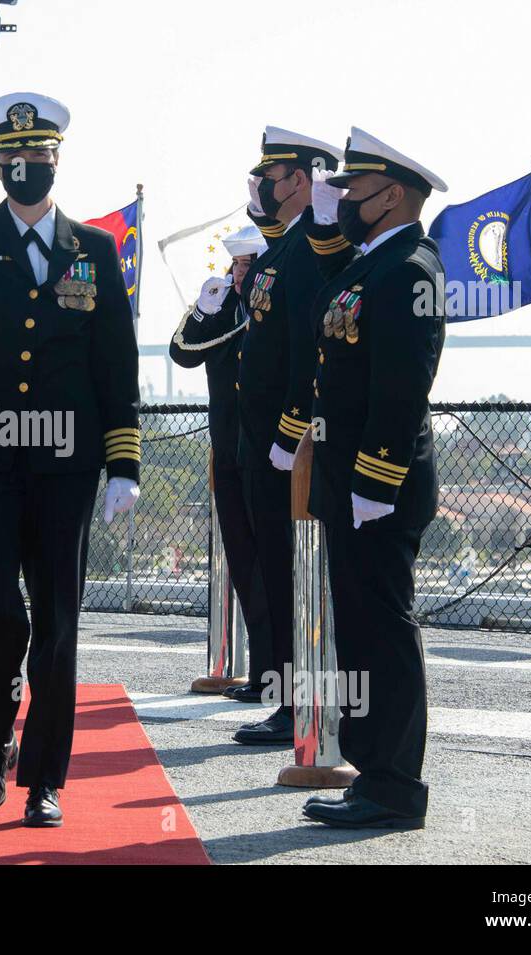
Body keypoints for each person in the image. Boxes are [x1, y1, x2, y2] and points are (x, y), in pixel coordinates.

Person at [0, 92, 141, 828]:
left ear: (56, 160)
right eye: (10, 160)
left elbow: (115, 362)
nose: (24, 168)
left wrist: (123, 460)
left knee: (58, 620)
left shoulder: (95, 251)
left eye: (36, 157)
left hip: (65, 461)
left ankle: (44, 778)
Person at [298, 128, 447, 830]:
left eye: (355, 188)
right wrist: (328, 220)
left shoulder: (411, 268)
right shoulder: (372, 263)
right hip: (350, 482)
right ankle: (372, 772)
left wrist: (375, 479)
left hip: (376, 485)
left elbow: (402, 385)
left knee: (384, 630)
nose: (345, 197)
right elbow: (332, 289)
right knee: (358, 628)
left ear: (392, 195)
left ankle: (395, 785)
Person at [230, 128, 349, 746]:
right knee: (275, 573)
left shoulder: (313, 250)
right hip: (263, 442)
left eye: (271, 177)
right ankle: (284, 698)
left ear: (301, 180)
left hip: (290, 446)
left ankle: (296, 704)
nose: (262, 187)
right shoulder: (284, 249)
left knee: (293, 577)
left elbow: (312, 348)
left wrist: (290, 431)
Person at [167, 225, 275, 702]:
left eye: (249, 264)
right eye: (237, 266)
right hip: (228, 453)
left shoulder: (270, 309)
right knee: (246, 565)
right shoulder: (228, 310)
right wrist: (203, 310)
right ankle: (262, 673)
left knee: (273, 570)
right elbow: (182, 353)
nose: (239, 274)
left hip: (271, 455)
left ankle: (277, 675)